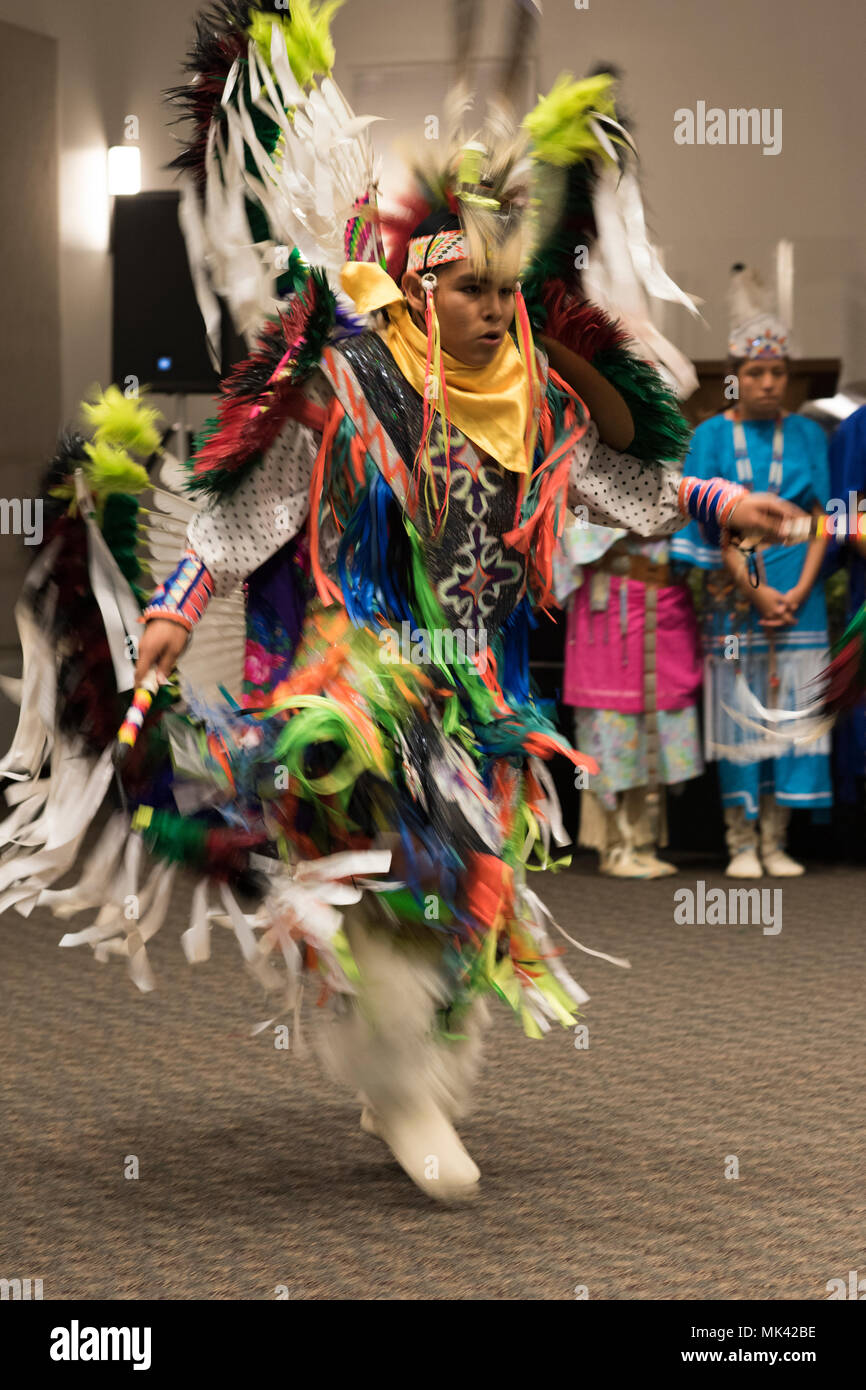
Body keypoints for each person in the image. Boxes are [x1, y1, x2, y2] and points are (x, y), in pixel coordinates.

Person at [0, 3, 801, 1202]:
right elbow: (239, 513)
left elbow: (617, 482)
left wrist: (718, 507)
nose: (492, 307)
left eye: (504, 289)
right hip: (349, 673)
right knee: (373, 861)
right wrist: (171, 606)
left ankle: (409, 1062)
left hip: (471, 689)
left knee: (460, 888)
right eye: (471, 288)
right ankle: (409, 1086)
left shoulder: (529, 395)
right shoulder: (344, 381)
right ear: (423, 285)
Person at [670, 265, 832, 877]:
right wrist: (760, 594)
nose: (768, 383)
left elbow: (821, 520)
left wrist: (797, 590)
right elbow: (714, 528)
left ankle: (775, 837)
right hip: (739, 596)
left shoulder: (810, 436)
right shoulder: (710, 436)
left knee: (794, 712)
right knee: (741, 710)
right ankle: (739, 840)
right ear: (735, 378)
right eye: (756, 373)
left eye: (779, 372)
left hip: (802, 594)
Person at [559, 524, 704, 877]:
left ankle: (642, 840)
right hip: (610, 603)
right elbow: (574, 533)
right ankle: (614, 844)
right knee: (610, 730)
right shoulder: (592, 476)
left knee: (657, 724)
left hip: (665, 600)